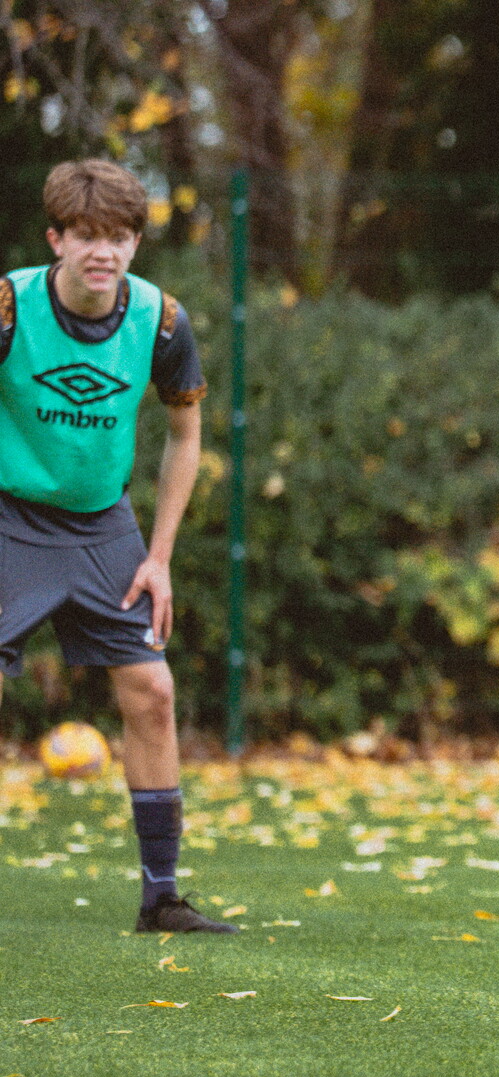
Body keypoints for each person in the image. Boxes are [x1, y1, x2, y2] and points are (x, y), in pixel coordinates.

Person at [1, 159, 236, 935]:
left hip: (105, 526)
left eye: (120, 237)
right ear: (56, 239)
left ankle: (161, 896)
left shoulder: (162, 321)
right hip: (10, 517)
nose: (104, 252)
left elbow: (184, 432)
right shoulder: (9, 304)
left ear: (136, 243)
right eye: (88, 236)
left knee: (153, 694)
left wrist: (158, 554)